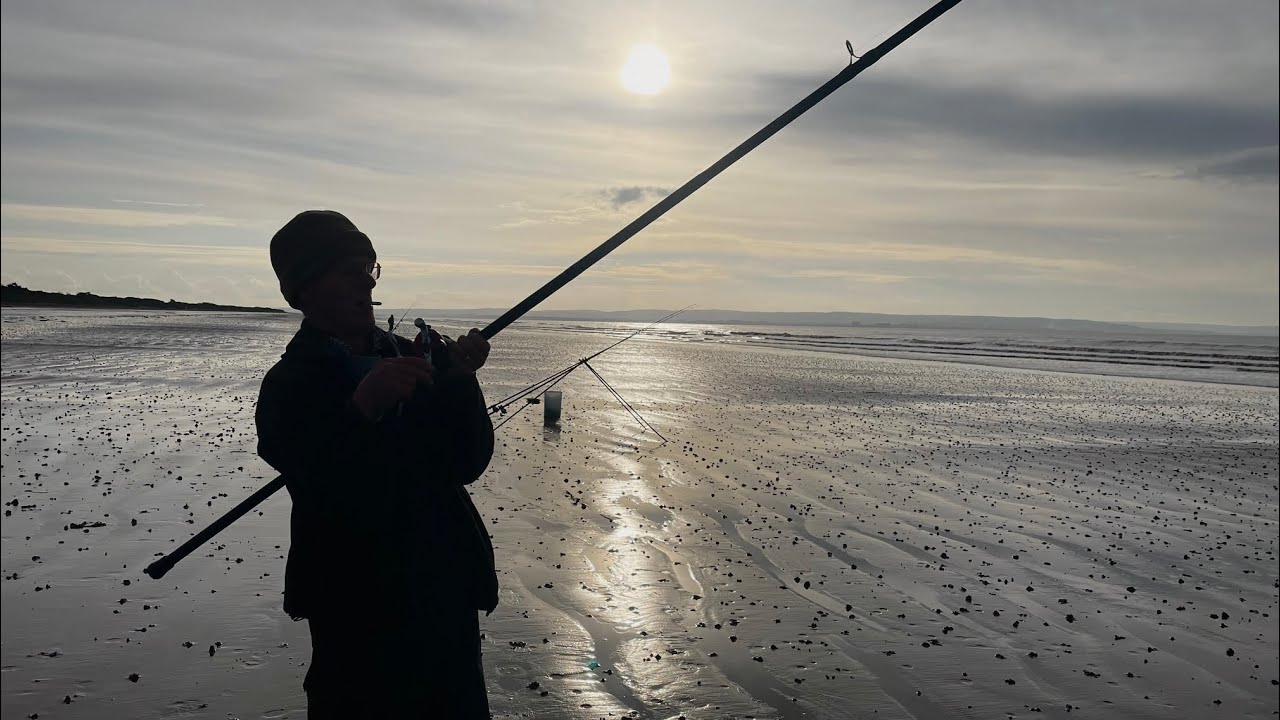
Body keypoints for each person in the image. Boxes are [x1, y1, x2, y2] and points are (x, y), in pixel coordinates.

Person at [254, 210, 498, 718]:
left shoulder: (416, 357)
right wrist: (361, 408)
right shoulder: (288, 386)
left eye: (371, 267)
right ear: (306, 288)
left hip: (444, 589)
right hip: (353, 605)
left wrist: (459, 381)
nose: (367, 280)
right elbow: (326, 488)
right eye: (350, 269)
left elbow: (465, 461)